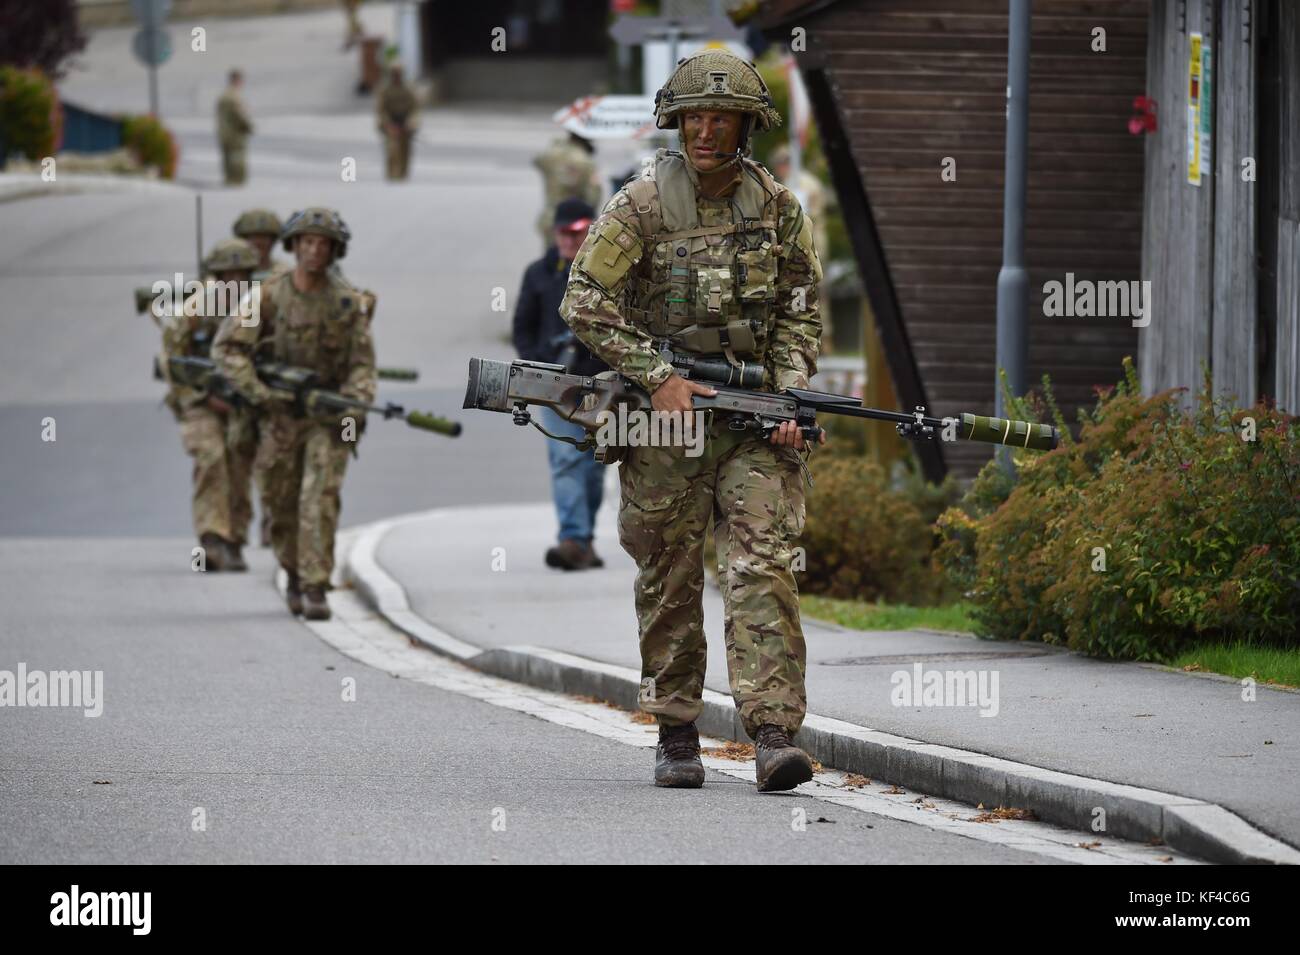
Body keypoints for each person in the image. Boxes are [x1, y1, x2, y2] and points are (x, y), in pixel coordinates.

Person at [560, 49, 824, 792]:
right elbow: (583, 300)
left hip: (750, 421)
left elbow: (800, 314)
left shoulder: (777, 209)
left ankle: (774, 736)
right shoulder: (640, 204)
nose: (706, 131)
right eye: (695, 118)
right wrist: (657, 374)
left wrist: (792, 397)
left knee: (762, 566)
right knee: (670, 577)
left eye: (722, 119)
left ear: (746, 126)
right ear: (676, 123)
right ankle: (678, 734)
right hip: (664, 424)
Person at [212, 209, 376, 621]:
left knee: (317, 498)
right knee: (280, 501)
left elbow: (362, 363)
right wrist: (260, 394)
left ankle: (315, 584)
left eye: (322, 244)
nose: (314, 251)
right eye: (306, 243)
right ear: (294, 246)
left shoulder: (346, 302)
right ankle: (292, 570)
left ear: (334, 250)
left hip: (326, 416)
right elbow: (228, 348)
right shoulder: (268, 295)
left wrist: (354, 403)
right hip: (280, 418)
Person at [512, 198, 608, 571]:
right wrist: (540, 364)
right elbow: (522, 326)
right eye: (563, 233)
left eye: (577, 232)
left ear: (590, 230)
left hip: (601, 383)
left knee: (595, 464)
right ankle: (573, 538)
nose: (569, 240)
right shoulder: (539, 273)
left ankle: (584, 538)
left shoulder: (606, 271)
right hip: (555, 384)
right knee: (565, 459)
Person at [160, 239, 261, 572]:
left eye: (241, 276)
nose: (234, 283)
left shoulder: (259, 311)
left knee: (239, 467)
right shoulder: (193, 311)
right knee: (212, 457)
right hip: (199, 401)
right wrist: (203, 396)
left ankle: (234, 540)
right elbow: (171, 362)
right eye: (226, 276)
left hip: (244, 404)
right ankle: (211, 540)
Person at [769, 144, 834, 354]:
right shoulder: (791, 182)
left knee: (812, 290)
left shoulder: (803, 184)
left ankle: (822, 340)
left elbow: (804, 216)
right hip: (802, 243)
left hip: (809, 243)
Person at [533, 131, 602, 249]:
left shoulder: (552, 154)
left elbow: (538, 161)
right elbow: (593, 196)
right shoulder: (585, 161)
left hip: (550, 218)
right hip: (575, 224)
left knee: (550, 260)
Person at [377, 64, 418, 181]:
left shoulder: (408, 89)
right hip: (391, 122)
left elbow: (415, 107)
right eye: (394, 74)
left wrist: (411, 122)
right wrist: (387, 123)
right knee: (392, 149)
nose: (396, 76)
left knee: (405, 149)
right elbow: (381, 109)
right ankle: (391, 174)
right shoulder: (385, 90)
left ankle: (403, 173)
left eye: (398, 74)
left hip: (405, 122)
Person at [216, 70, 253, 186]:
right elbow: (237, 116)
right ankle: (235, 180)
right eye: (239, 80)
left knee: (229, 158)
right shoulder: (232, 96)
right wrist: (247, 126)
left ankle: (231, 179)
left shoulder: (226, 95)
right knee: (236, 159)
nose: (241, 82)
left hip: (225, 134)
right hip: (234, 135)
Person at [232, 208, 285, 279]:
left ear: (273, 240)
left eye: (264, 236)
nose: (259, 242)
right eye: (254, 236)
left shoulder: (284, 274)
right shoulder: (231, 274)